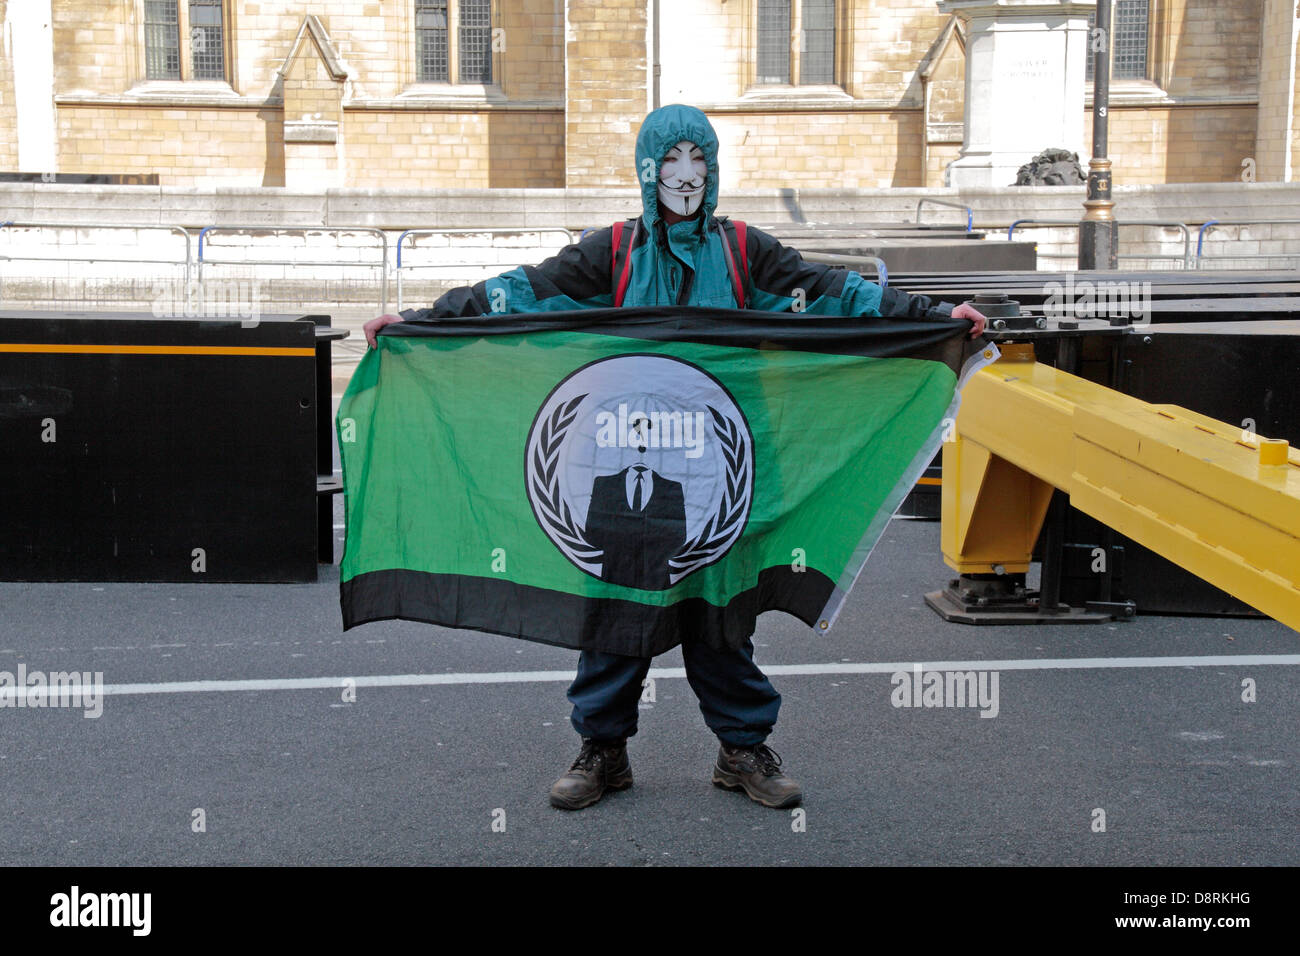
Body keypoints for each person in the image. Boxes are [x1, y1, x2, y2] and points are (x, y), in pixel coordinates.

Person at [364, 104, 986, 812]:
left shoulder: (748, 250)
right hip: (627, 462)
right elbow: (519, 292)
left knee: (721, 615)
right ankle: (603, 749)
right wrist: (423, 321)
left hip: (724, 467)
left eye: (700, 160)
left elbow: (834, 292)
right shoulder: (613, 251)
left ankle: (742, 749)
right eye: (672, 160)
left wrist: (934, 317)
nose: (686, 176)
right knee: (617, 609)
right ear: (647, 171)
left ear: (714, 171)